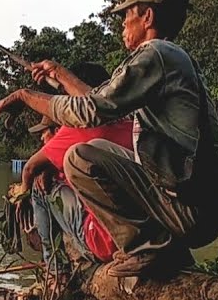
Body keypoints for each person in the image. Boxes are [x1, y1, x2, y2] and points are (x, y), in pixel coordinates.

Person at [0, 0, 218, 281]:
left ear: (148, 16)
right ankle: (156, 245)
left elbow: (91, 111)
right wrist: (59, 73)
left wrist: (26, 96)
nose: (122, 25)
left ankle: (147, 247)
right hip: (201, 205)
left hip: (193, 209)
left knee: (79, 158)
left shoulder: (155, 54)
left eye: (127, 17)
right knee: (96, 150)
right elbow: (99, 100)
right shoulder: (170, 58)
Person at [17, 62, 132, 265]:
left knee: (38, 188)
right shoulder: (131, 123)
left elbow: (30, 168)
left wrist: (22, 196)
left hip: (103, 244)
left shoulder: (79, 128)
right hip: (137, 239)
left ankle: (54, 270)